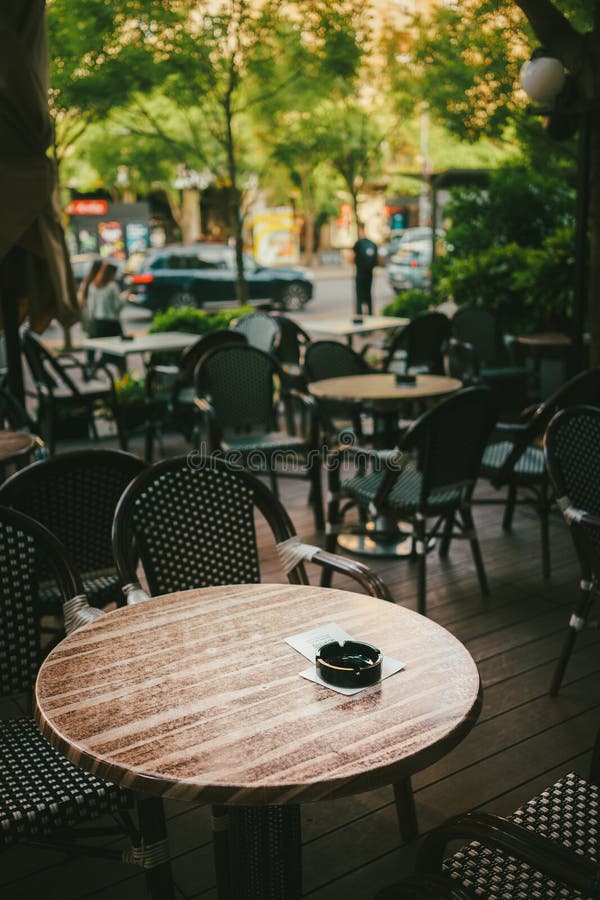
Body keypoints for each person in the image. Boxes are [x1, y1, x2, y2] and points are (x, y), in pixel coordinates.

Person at [85, 261, 125, 374]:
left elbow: (91, 307)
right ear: (111, 273)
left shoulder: (93, 286)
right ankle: (123, 381)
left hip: (98, 323)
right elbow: (117, 307)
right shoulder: (112, 286)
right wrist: (125, 297)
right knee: (119, 354)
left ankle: (93, 369)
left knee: (103, 350)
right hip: (112, 324)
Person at [352, 222, 378, 316]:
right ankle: (370, 314)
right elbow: (377, 261)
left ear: (360, 229)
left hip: (360, 274)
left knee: (359, 295)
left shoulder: (358, 244)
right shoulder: (373, 244)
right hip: (369, 274)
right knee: (368, 294)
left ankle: (359, 315)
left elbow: (352, 258)